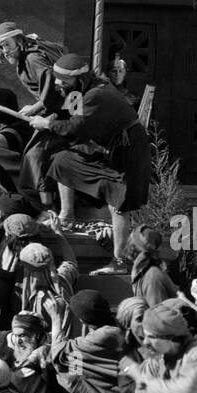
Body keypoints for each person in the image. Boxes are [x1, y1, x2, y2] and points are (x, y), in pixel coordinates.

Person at [28, 53, 151, 274]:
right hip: (104, 147)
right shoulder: (76, 91)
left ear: (79, 78)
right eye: (57, 78)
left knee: (119, 204)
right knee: (63, 160)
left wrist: (47, 124)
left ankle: (120, 262)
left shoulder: (96, 93)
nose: (58, 83)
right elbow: (72, 122)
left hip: (127, 148)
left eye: (62, 79)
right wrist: (42, 113)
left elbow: (76, 127)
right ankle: (67, 216)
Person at [0, 21, 68, 209]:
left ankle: (47, 209)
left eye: (7, 45)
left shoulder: (32, 58)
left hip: (64, 111)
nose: (5, 51)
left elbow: (50, 82)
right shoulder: (26, 56)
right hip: (55, 109)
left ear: (18, 40)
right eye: (1, 47)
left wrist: (37, 107)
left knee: (35, 156)